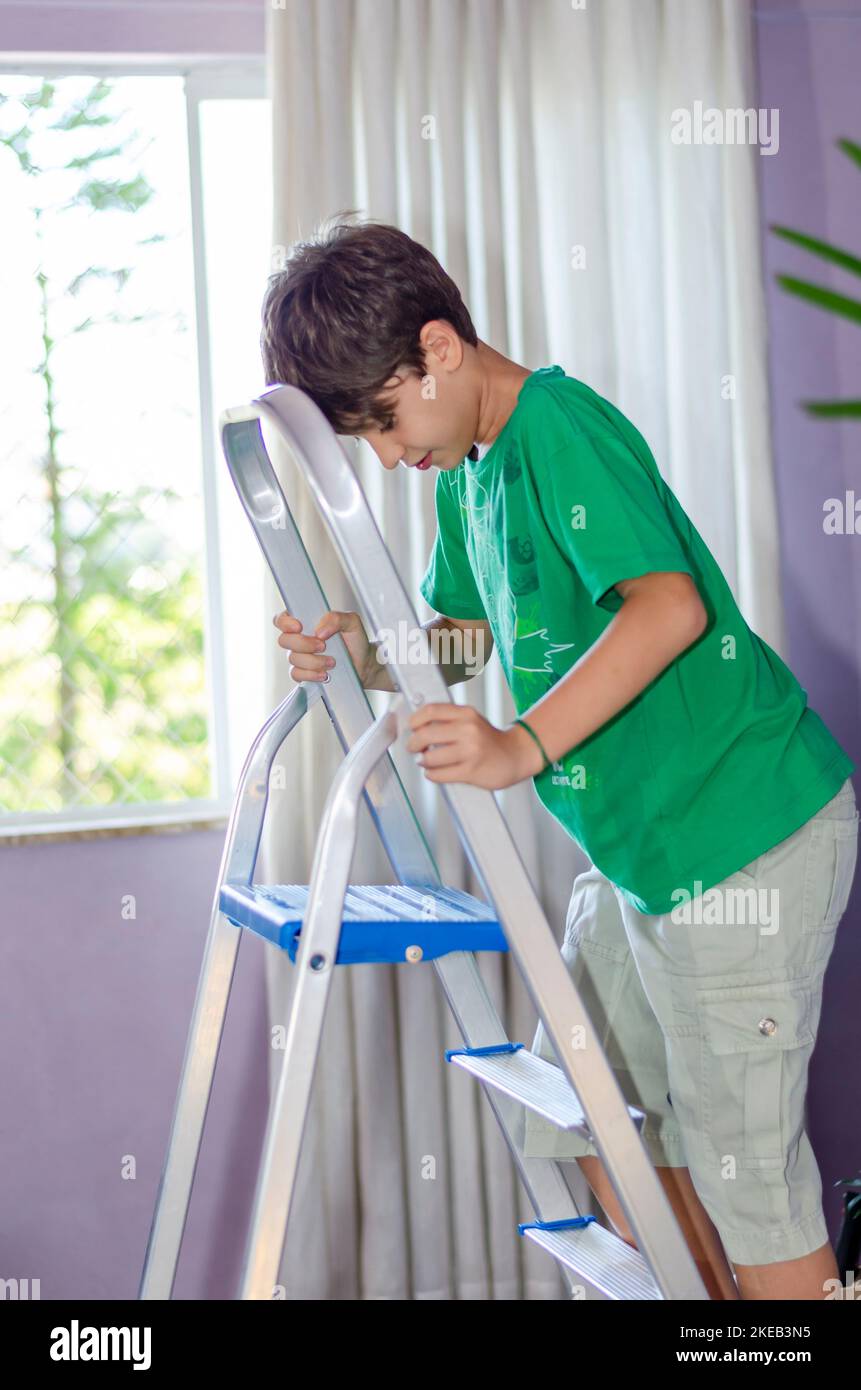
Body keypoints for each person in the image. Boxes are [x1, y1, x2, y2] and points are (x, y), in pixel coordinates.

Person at [261, 214, 858, 1301]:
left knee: (745, 1166)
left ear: (439, 347)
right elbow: (462, 643)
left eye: (386, 424)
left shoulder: (561, 426)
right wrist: (353, 642)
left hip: (743, 831)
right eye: (368, 444)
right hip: (642, 851)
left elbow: (668, 609)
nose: (389, 457)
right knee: (591, 1103)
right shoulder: (467, 478)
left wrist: (520, 744)